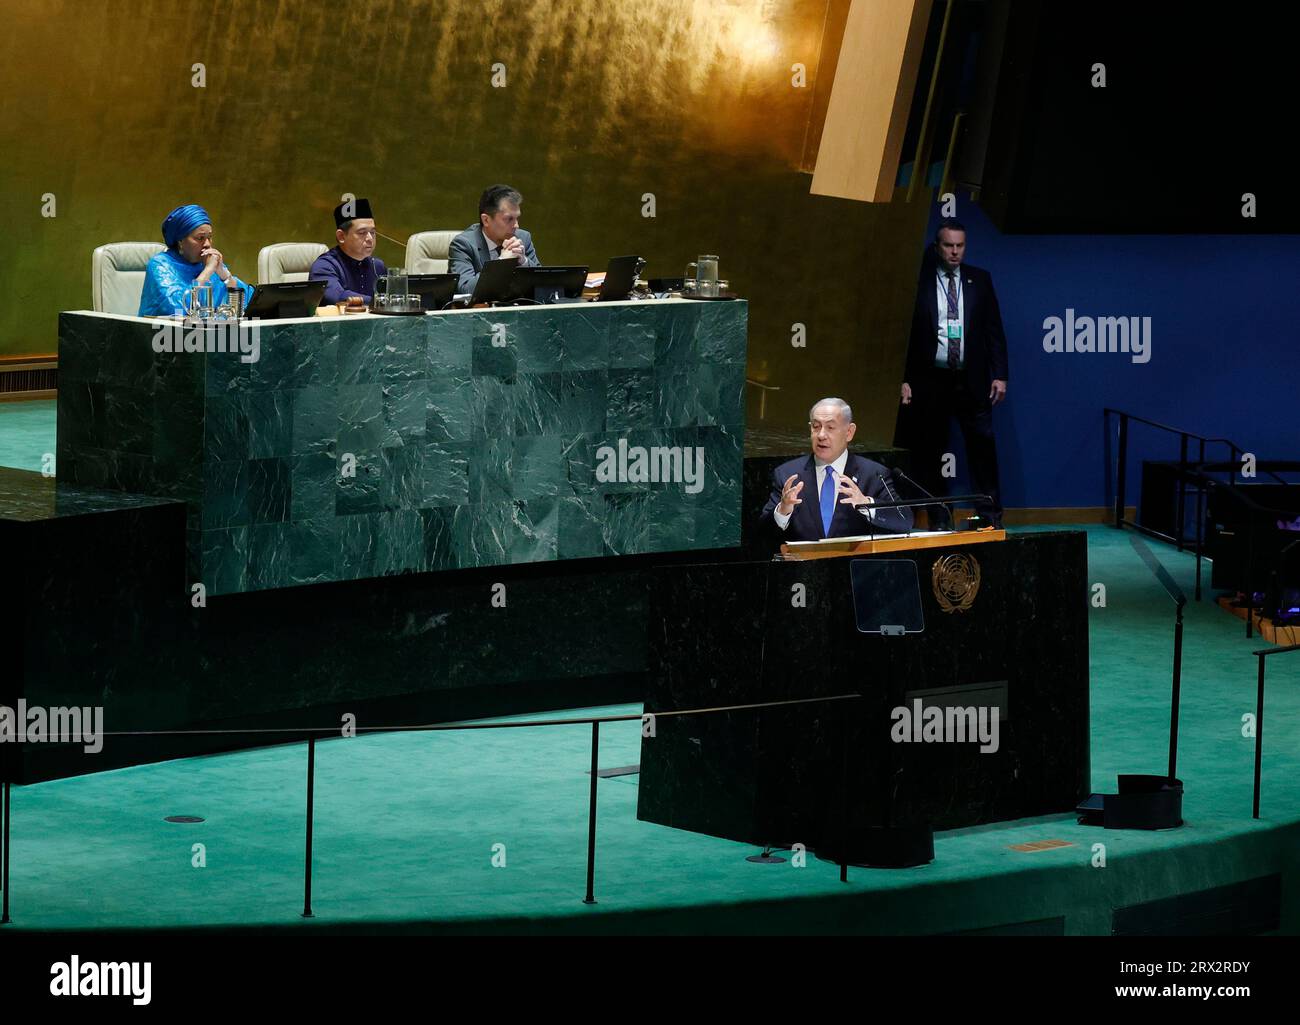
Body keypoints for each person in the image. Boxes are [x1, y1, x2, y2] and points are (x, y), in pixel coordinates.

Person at [899, 218, 1009, 528]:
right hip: (930, 381)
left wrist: (1000, 374)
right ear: (937, 247)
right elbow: (902, 334)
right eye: (949, 245)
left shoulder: (980, 280)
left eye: (960, 246)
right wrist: (902, 377)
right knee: (930, 452)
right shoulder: (917, 281)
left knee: (983, 450)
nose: (955, 252)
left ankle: (990, 517)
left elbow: (994, 332)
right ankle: (939, 518)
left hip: (972, 380)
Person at [759, 398, 913, 545]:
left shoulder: (874, 474)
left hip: (853, 568)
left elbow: (904, 520)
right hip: (804, 570)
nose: (821, 435)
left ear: (849, 432)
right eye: (816, 426)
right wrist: (783, 510)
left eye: (830, 427)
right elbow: (764, 533)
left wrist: (866, 503)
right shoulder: (788, 474)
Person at [138, 204, 254, 317]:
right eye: (200, 238)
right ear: (180, 242)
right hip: (167, 334)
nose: (208, 244)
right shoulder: (160, 265)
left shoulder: (210, 264)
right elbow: (178, 309)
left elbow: (249, 304)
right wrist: (207, 271)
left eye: (209, 237)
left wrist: (225, 276)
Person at [448, 184, 539, 294]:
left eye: (517, 218)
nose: (516, 226)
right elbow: (465, 289)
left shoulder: (523, 238)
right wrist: (501, 263)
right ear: (486, 220)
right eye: (509, 219)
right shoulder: (463, 244)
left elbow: (543, 284)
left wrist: (524, 261)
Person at [310, 198, 386, 305]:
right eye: (362, 233)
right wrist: (381, 302)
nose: (370, 238)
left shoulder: (378, 266)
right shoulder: (324, 266)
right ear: (341, 236)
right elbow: (336, 297)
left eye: (372, 232)